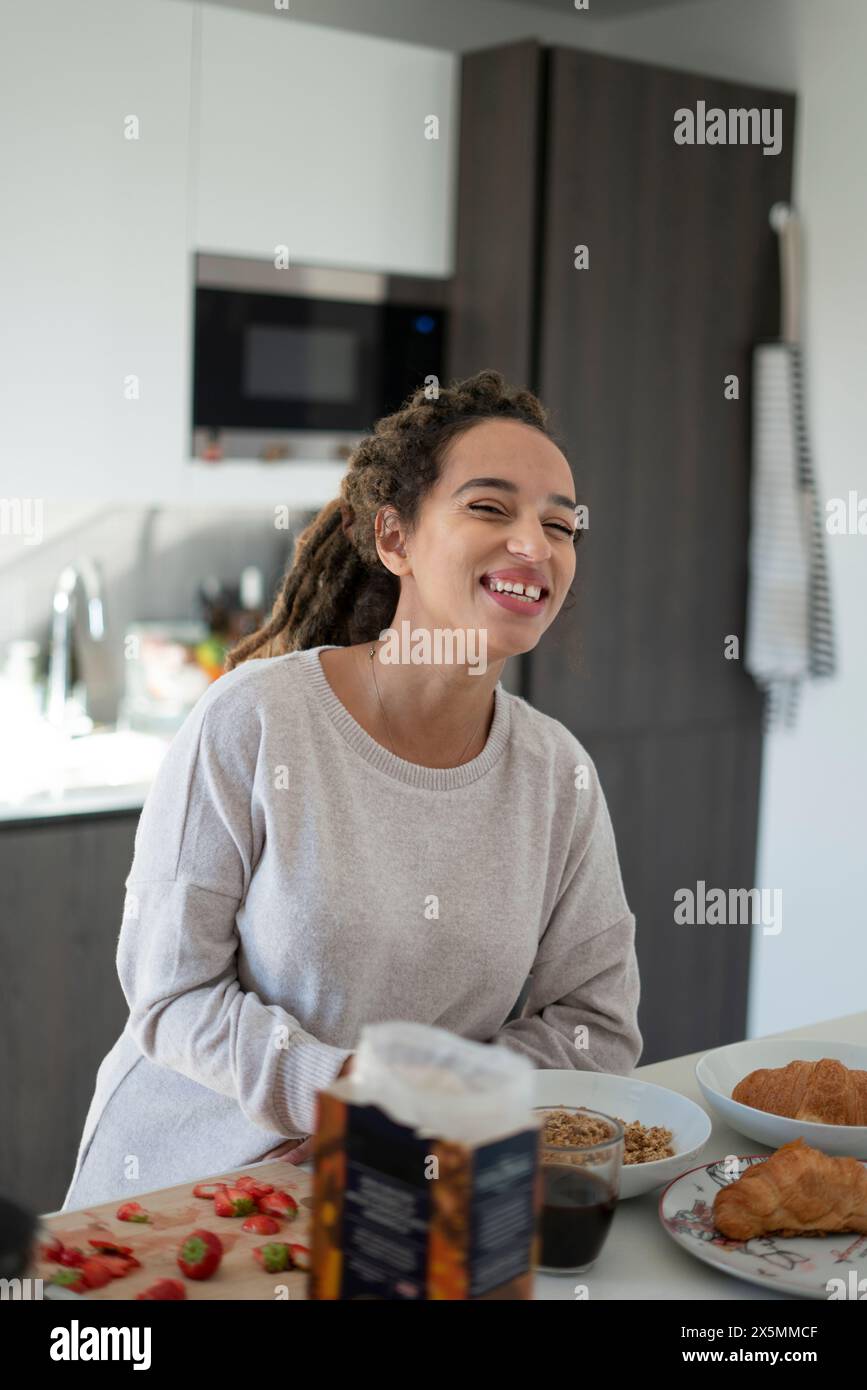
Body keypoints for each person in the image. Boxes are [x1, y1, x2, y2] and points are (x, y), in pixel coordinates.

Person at [62, 369, 641, 1210]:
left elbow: (597, 1025)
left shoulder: (556, 777)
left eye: (560, 524)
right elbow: (169, 992)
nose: (534, 544)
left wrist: (437, 1107)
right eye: (489, 508)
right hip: (188, 1192)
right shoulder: (254, 720)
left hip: (401, 1194)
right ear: (394, 538)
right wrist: (339, 1089)